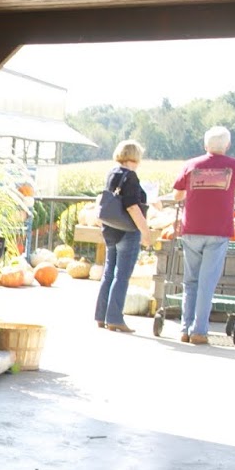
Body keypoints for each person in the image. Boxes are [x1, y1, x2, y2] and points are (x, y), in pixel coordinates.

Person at [172, 126, 235, 345]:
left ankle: (185, 329)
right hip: (218, 231)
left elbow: (177, 195)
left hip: (191, 230)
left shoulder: (191, 165)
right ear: (227, 145)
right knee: (207, 283)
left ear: (205, 145)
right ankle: (199, 331)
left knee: (190, 282)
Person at [92, 139, 150, 334]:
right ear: (136, 156)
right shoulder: (130, 176)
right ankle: (115, 318)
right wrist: (145, 232)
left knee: (109, 272)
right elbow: (132, 207)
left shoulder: (113, 173)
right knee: (122, 275)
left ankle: (101, 315)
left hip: (110, 229)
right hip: (127, 229)